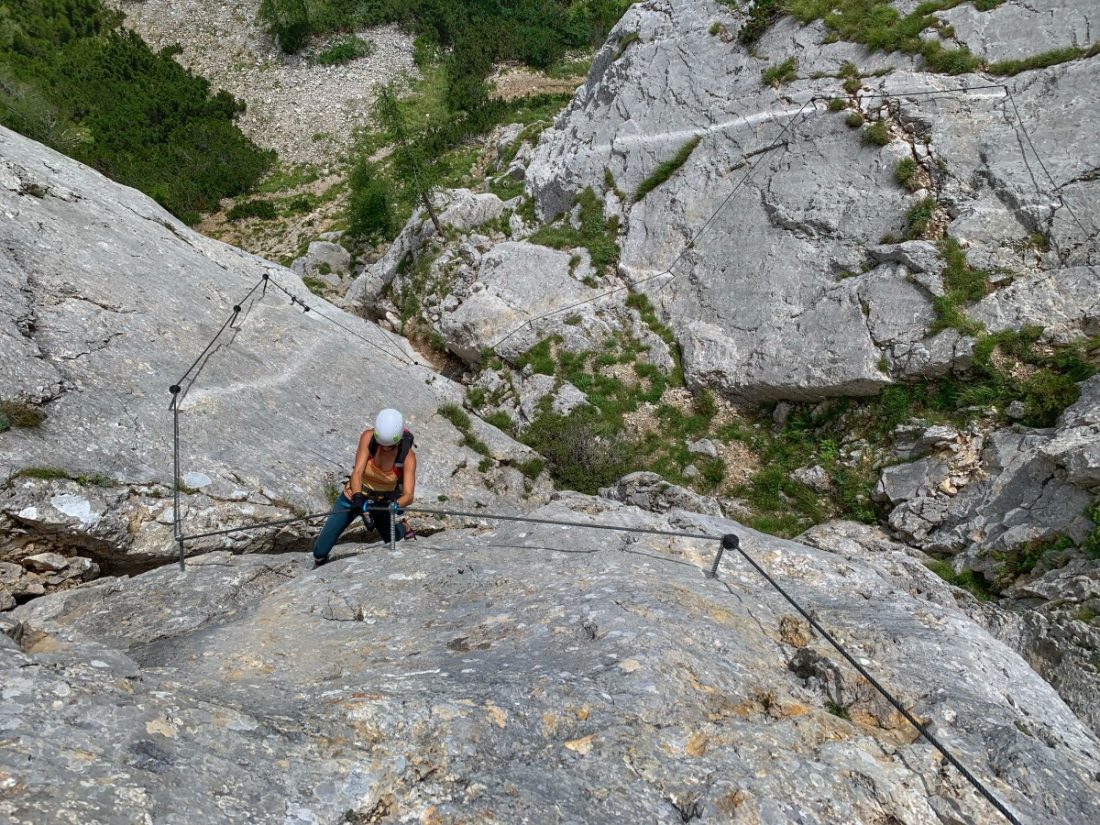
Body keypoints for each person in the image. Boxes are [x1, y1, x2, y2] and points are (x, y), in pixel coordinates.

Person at [312, 408, 417, 566]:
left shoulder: (407, 457)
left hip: (382, 504)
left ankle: (403, 527)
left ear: (399, 441)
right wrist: (357, 497)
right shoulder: (368, 438)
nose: (383, 448)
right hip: (353, 496)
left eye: (389, 446)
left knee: (393, 538)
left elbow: (409, 495)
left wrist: (394, 505)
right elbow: (357, 472)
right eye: (381, 444)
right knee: (319, 553)